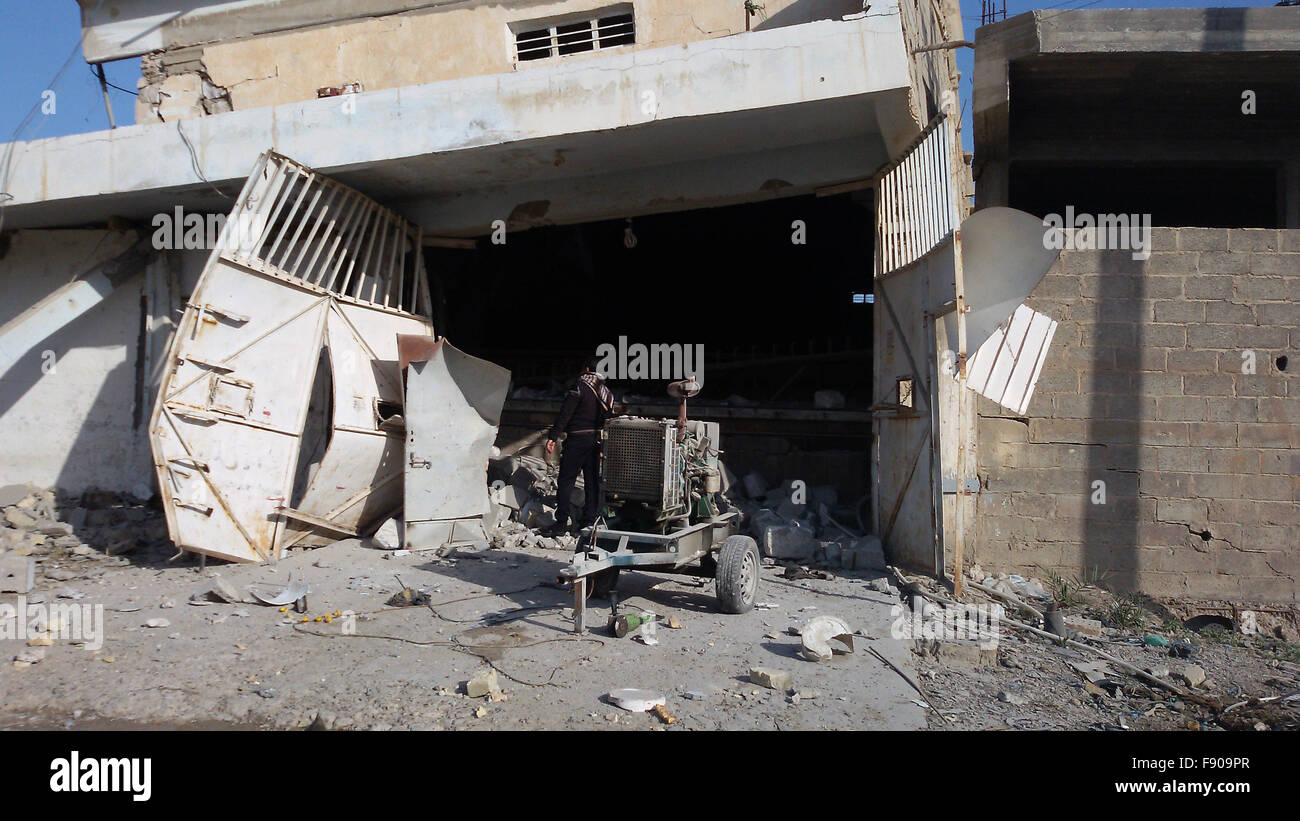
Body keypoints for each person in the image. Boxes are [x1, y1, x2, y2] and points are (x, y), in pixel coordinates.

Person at [541, 356, 614, 536]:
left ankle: (561, 523)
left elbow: (566, 413)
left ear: (587, 369)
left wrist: (553, 436)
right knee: (592, 482)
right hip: (595, 442)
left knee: (566, 480)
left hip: (576, 441)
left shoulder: (580, 387)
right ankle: (588, 522)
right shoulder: (606, 393)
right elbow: (608, 420)